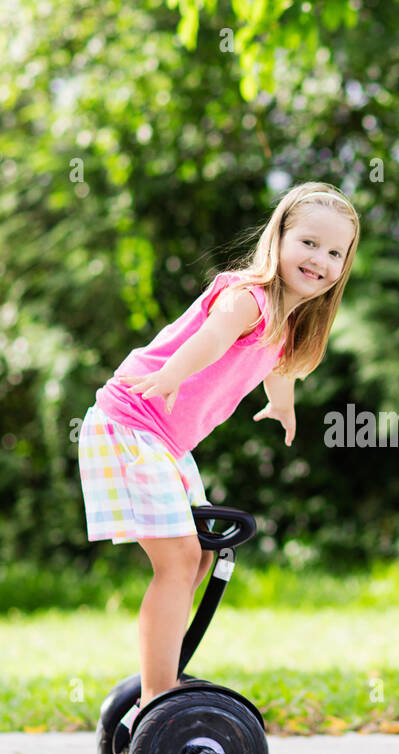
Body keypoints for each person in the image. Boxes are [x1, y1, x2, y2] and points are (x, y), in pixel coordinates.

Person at [78, 182, 360, 711]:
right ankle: (160, 695)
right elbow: (207, 340)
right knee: (180, 559)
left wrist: (283, 403)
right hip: (133, 422)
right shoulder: (246, 298)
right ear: (277, 239)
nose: (320, 259)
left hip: (164, 442)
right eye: (308, 242)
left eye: (335, 252)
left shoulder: (288, 320)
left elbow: (277, 365)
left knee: (200, 553)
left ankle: (158, 678)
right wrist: (170, 375)